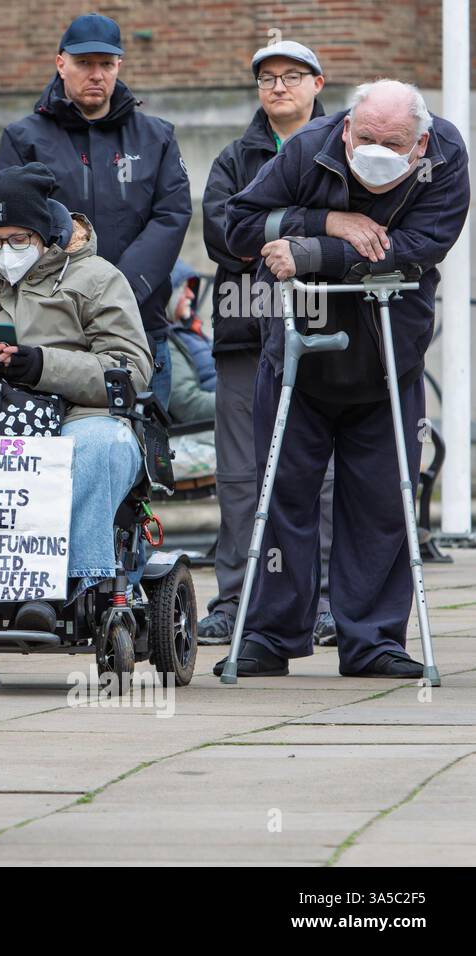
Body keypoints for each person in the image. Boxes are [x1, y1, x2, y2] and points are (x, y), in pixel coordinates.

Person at [221, 79, 470, 678]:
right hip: (300, 354)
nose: (377, 150)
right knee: (282, 499)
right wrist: (329, 219)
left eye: (393, 142)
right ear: (347, 127)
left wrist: (317, 254)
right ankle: (270, 634)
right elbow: (240, 224)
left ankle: (374, 640)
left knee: (383, 503)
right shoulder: (309, 147)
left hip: (389, 354)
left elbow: (425, 243)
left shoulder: (447, 156)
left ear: (421, 142)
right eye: (366, 139)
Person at [0, 162, 153, 632]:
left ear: (44, 234)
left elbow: (130, 370)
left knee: (101, 447)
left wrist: (42, 366)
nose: (4, 251)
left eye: (18, 239)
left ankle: (64, 583)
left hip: (78, 413)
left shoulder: (97, 278)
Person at [199, 40, 337, 647]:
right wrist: (304, 229)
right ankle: (236, 600)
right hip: (245, 331)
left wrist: (277, 227)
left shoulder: (343, 150)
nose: (278, 87)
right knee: (240, 474)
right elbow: (224, 232)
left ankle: (327, 600)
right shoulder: (236, 156)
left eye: (292, 76)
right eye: (267, 78)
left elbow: (357, 227)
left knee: (324, 474)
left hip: (325, 326)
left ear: (317, 83)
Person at [0, 13, 190, 413]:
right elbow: (11, 229)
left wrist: (121, 290)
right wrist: (73, 295)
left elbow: (171, 216)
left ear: (119, 66)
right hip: (49, 336)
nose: (96, 74)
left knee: (142, 459)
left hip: (141, 328)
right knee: (53, 463)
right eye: (84, 63)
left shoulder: (157, 137)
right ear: (60, 63)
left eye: (106, 64)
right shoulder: (23, 139)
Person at [163, 262, 217, 485]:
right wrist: (240, 401)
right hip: (211, 425)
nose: (190, 294)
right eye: (181, 288)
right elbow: (187, 403)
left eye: (191, 287)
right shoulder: (167, 343)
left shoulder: (189, 332)